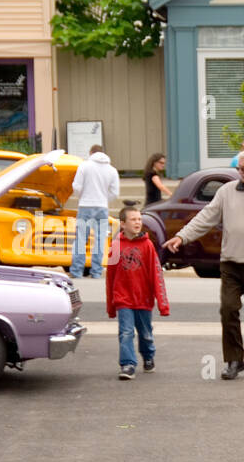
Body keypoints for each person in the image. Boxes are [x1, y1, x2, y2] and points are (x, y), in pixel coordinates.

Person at [164, 147, 244, 380]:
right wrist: (182, 236)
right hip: (231, 262)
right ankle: (233, 361)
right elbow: (205, 217)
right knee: (228, 310)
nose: (239, 173)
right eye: (239, 169)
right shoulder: (226, 191)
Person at [106, 205, 170, 380]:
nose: (137, 222)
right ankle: (127, 364)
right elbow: (110, 276)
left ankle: (148, 356)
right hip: (123, 298)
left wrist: (163, 305)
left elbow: (157, 274)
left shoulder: (148, 245)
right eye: (133, 219)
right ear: (123, 224)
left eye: (139, 219)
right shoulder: (116, 245)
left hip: (143, 298)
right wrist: (111, 305)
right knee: (126, 332)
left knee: (146, 334)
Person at [69, 144, 119, 279]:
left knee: (81, 239)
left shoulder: (84, 166)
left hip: (85, 205)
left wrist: (82, 197)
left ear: (90, 153)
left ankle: (76, 271)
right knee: (100, 239)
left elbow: (77, 186)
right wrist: (104, 199)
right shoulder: (112, 170)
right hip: (102, 207)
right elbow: (115, 192)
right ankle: (96, 272)